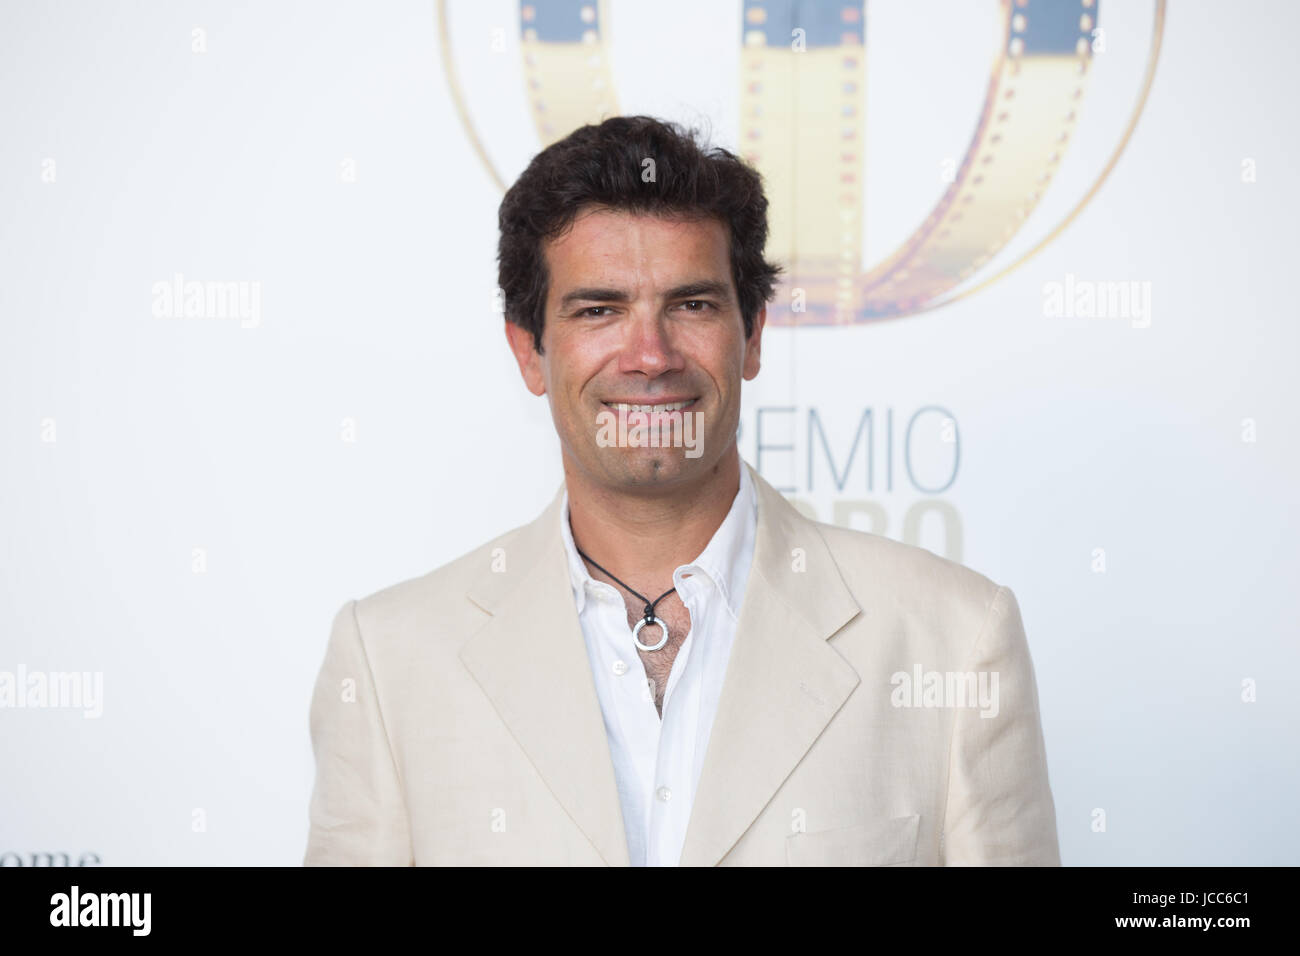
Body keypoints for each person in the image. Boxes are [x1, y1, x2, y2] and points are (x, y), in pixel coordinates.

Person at [303, 115, 1060, 866]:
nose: (650, 355)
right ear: (530, 353)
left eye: (692, 305)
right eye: (599, 310)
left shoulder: (955, 642)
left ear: (753, 334)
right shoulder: (390, 661)